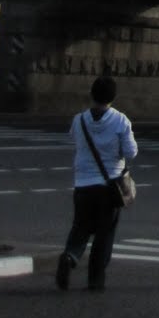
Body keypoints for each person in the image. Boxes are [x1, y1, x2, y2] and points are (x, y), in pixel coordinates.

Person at [56, 75, 138, 293]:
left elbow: (75, 140)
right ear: (113, 97)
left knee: (80, 226)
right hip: (109, 186)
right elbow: (131, 152)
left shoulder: (79, 120)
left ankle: (70, 256)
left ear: (92, 94)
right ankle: (95, 279)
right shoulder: (121, 120)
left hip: (82, 183)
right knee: (104, 234)